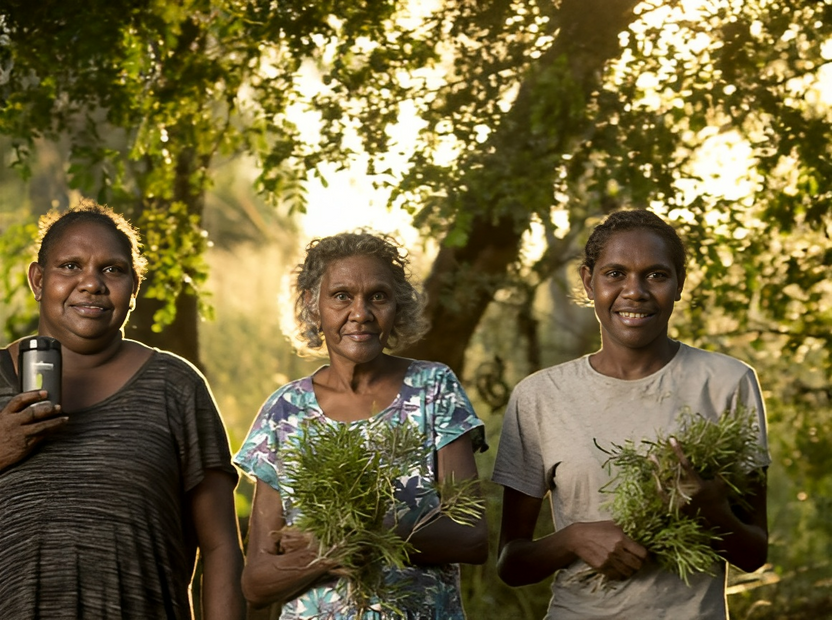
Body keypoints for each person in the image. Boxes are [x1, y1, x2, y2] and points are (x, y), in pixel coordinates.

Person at [492, 209, 769, 619]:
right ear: (589, 282)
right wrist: (572, 539)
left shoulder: (727, 383)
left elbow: (754, 554)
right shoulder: (540, 396)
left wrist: (708, 511)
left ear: (679, 283)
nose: (634, 291)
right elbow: (511, 565)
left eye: (656, 275)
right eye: (615, 274)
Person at [0, 200, 245, 620]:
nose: (91, 283)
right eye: (70, 266)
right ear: (38, 280)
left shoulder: (175, 387)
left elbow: (221, 547)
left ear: (134, 287)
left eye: (112, 269)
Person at [235, 231, 489, 619]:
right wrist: (327, 555)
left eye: (378, 296)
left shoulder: (433, 388)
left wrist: (360, 537)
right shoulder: (284, 412)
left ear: (397, 306)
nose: (361, 313)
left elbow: (472, 537)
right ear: (313, 305)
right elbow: (256, 585)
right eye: (341, 296)